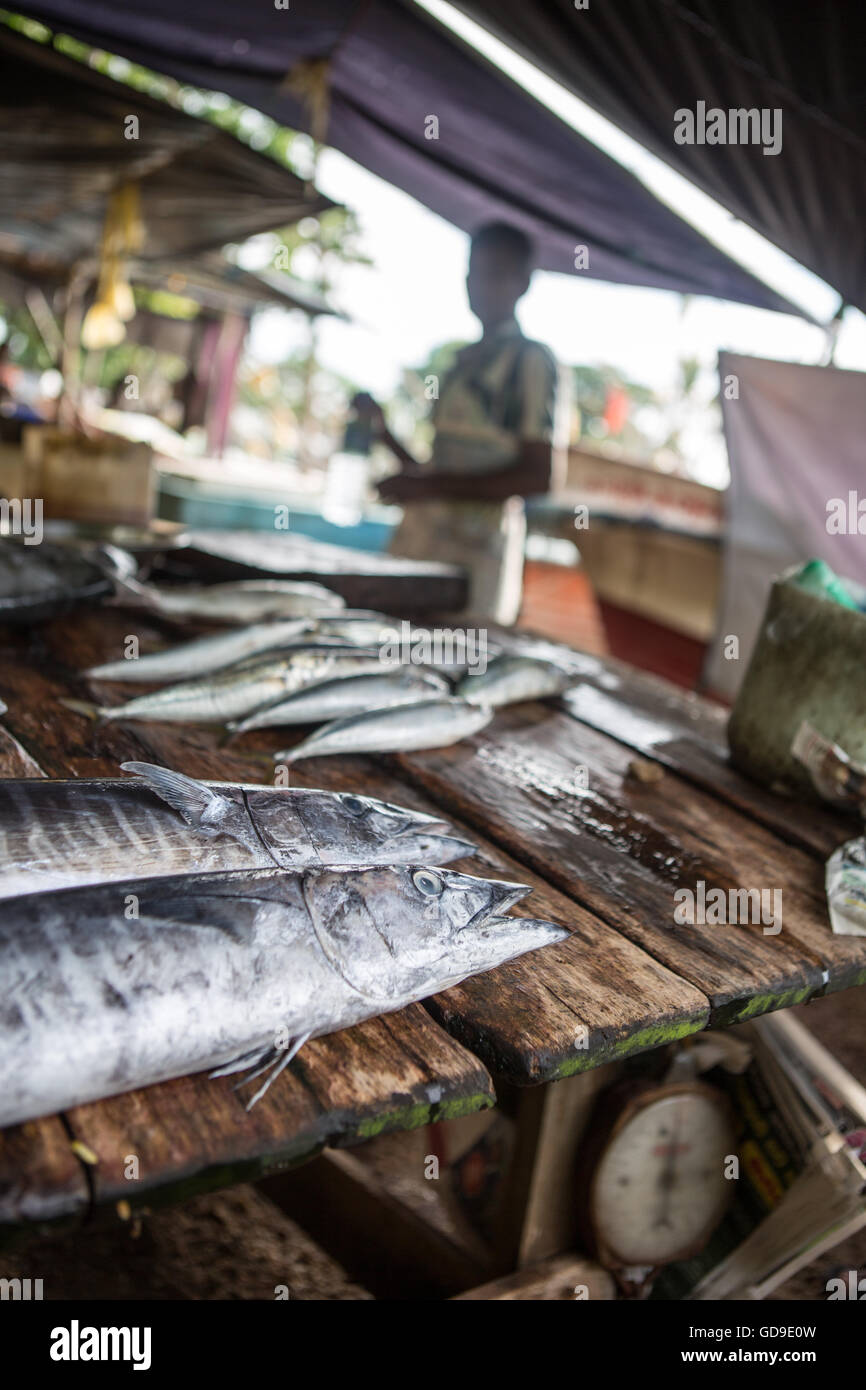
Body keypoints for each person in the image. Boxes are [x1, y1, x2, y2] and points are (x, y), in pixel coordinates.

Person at [354, 221, 563, 624]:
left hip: (473, 561)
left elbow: (539, 476)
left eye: (496, 273)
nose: (480, 285)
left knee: (452, 667)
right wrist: (383, 433)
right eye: (474, 272)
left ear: (524, 283)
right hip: (420, 547)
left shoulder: (530, 362)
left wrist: (424, 486)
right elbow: (436, 470)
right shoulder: (459, 363)